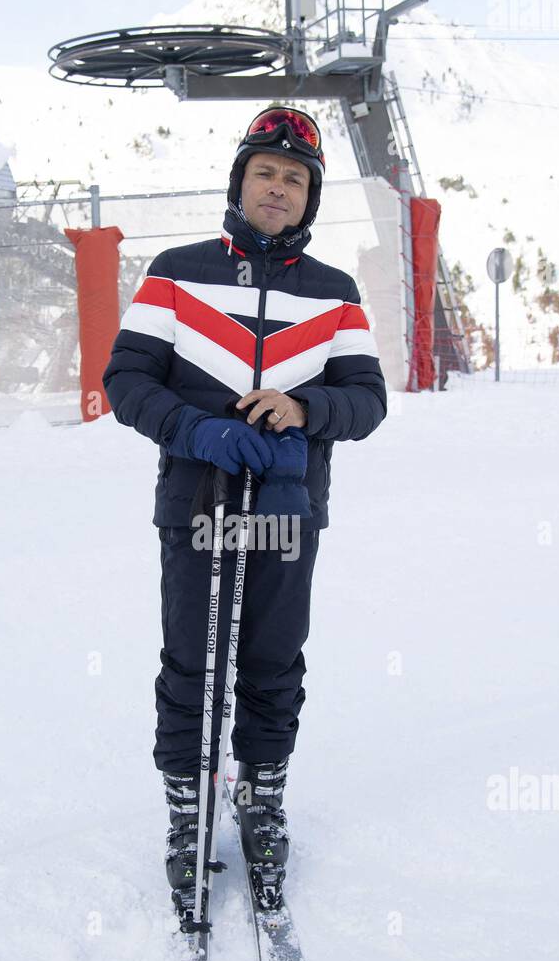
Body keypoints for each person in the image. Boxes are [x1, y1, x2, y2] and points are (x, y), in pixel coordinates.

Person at [103, 106, 387, 918]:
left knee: (271, 660)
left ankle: (262, 798)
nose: (278, 187)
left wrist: (304, 409)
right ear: (240, 181)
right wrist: (196, 428)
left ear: (309, 199)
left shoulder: (334, 293)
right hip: (198, 500)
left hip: (289, 508)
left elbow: (367, 401)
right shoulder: (175, 273)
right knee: (193, 660)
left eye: (295, 179)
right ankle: (187, 810)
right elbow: (126, 381)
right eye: (265, 172)